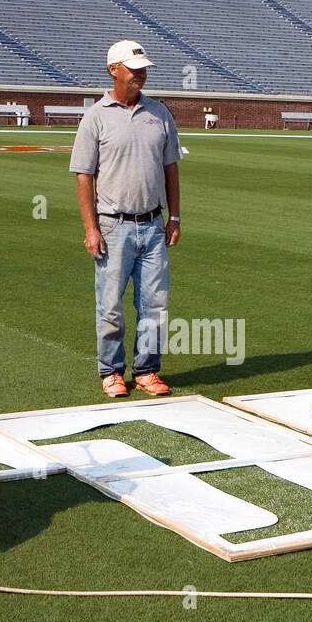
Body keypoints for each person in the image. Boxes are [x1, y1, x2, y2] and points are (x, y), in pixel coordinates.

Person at [70, 40, 181, 398]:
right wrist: (90, 228)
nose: (140, 75)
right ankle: (112, 372)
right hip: (112, 225)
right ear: (113, 70)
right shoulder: (95, 117)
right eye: (134, 70)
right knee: (111, 304)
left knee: (155, 303)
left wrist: (175, 216)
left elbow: (171, 169)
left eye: (143, 69)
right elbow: (83, 176)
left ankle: (147, 370)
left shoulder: (160, 113)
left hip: (152, 225)